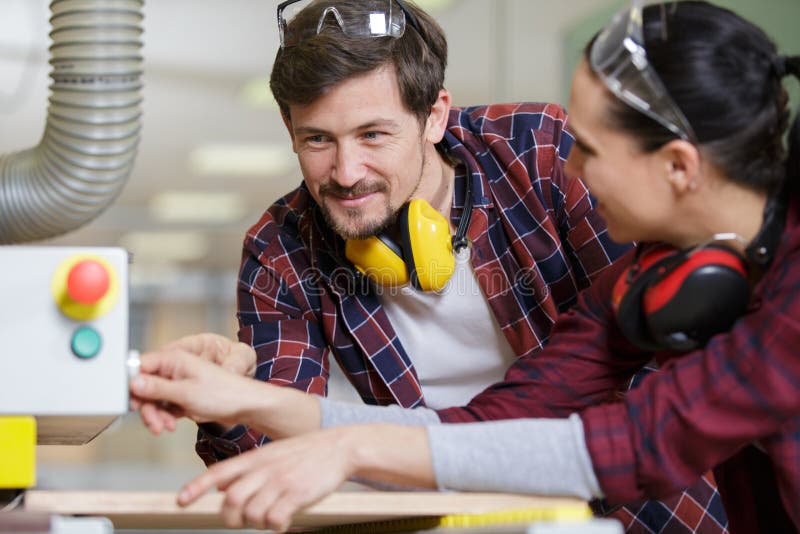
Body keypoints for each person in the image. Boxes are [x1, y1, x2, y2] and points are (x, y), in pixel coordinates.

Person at [128, 0, 757, 531]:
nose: (346, 174)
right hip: (445, 510)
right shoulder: (281, 249)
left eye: (374, 135)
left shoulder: (544, 155)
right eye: (319, 139)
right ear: (290, 131)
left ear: (435, 116)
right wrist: (233, 399)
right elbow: (279, 471)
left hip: (645, 505)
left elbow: (659, 380)